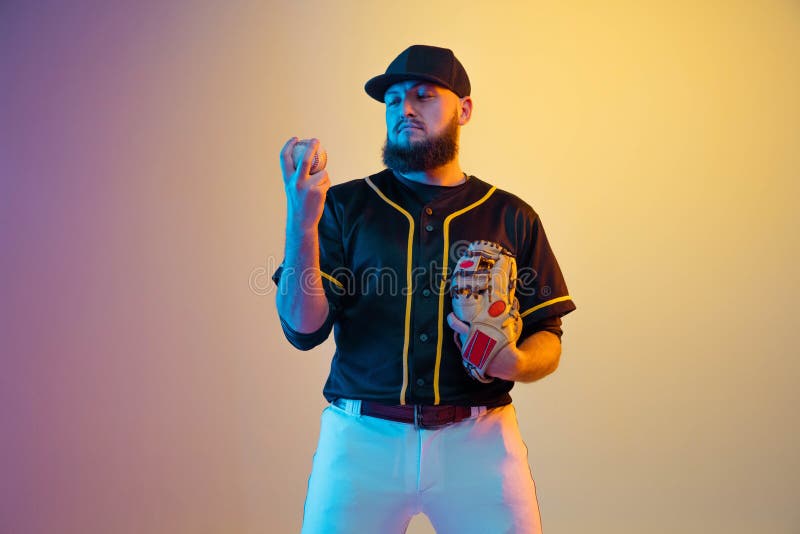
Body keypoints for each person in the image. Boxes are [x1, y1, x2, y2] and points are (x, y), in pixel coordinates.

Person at [273, 44, 576, 534]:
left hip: (479, 437)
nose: (405, 109)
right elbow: (302, 329)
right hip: (361, 436)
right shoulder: (345, 205)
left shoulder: (510, 215)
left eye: (423, 96)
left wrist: (517, 362)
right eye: (393, 100)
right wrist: (301, 225)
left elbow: (548, 333)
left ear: (465, 109)